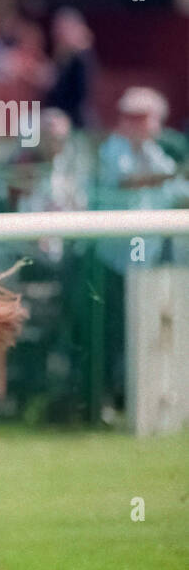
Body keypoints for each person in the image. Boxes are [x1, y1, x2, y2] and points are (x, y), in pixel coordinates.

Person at [94, 86, 189, 414]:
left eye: (141, 117)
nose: (133, 123)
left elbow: (177, 193)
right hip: (115, 262)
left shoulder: (156, 153)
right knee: (118, 334)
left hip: (151, 261)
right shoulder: (112, 150)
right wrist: (174, 174)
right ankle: (111, 401)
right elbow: (127, 180)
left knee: (156, 328)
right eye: (128, 116)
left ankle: (156, 400)